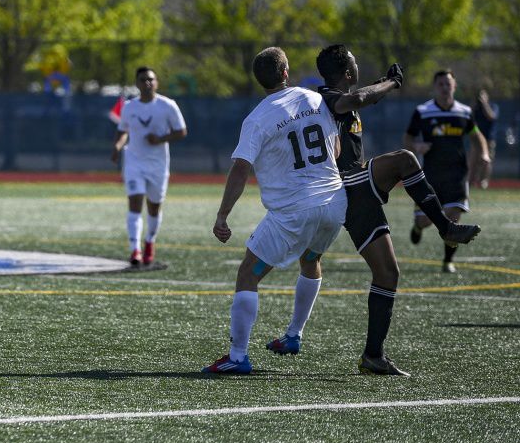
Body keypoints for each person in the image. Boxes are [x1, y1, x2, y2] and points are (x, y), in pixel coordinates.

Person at [265, 45, 480, 376]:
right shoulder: (328, 98)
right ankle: (446, 227)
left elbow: (358, 99)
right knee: (406, 160)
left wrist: (382, 83)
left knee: (387, 273)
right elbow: (357, 100)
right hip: (347, 183)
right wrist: (392, 83)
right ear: (348, 71)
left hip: (358, 196)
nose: (358, 64)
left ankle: (373, 356)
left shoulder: (339, 95)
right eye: (354, 61)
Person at [203, 47, 346, 375]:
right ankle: (293, 335)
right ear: (286, 72)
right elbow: (335, 148)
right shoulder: (315, 99)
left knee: (247, 274)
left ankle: (237, 357)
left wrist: (222, 215)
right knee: (310, 259)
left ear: (259, 80)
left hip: (294, 211)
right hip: (334, 203)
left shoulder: (257, 118)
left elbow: (241, 169)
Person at [404, 70, 491, 273]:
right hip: (430, 175)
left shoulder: (464, 112)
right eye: (441, 84)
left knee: (453, 218)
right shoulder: (423, 111)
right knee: (425, 220)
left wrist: (484, 154)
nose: (445, 88)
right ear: (434, 87)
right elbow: (408, 138)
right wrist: (417, 147)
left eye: (448, 84)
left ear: (454, 86)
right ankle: (417, 226)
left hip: (457, 175)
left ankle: (447, 261)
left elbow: (477, 137)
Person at [110, 66, 187, 266]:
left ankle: (150, 241)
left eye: (151, 79)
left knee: (154, 207)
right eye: (143, 80)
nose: (147, 83)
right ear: (136, 84)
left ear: (156, 82)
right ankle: (135, 249)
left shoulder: (167, 105)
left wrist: (160, 138)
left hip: (158, 165)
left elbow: (181, 131)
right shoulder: (129, 107)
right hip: (134, 162)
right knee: (135, 203)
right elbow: (123, 130)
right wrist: (117, 147)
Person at [471, 85, 499, 189]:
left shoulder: (493, 106)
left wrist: (484, 104)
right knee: (473, 161)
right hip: (476, 139)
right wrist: (474, 105)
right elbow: (469, 117)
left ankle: (484, 181)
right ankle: (472, 180)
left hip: (489, 139)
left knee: (487, 161)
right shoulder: (476, 108)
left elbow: (491, 116)